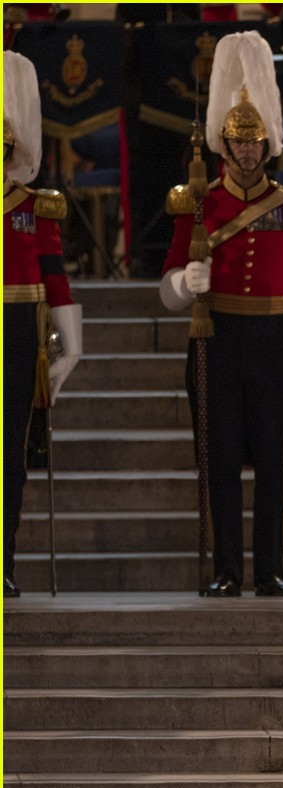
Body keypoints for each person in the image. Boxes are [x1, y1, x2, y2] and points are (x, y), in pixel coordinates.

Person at [161, 31, 283, 597]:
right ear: (223, 143)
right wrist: (183, 282)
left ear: (269, 145)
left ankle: (268, 567)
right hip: (214, 336)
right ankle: (226, 569)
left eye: (256, 142)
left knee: (272, 461)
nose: (247, 151)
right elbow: (167, 286)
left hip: (273, 339)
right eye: (238, 142)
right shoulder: (197, 203)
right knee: (217, 460)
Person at [3, 51, 82, 598]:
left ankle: (2, 562)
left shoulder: (37, 207)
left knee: (10, 455)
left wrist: (70, 347)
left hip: (16, 334)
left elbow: (55, 279)